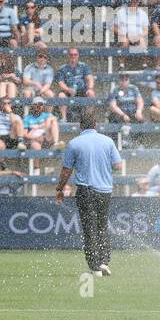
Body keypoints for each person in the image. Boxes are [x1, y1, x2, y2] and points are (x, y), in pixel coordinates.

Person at [55, 109, 123, 278]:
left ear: (80, 126)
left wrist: (60, 189)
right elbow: (118, 166)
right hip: (105, 191)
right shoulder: (107, 141)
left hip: (86, 190)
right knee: (102, 227)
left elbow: (66, 170)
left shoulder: (74, 143)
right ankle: (104, 262)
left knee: (89, 229)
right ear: (95, 125)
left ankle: (94, 267)